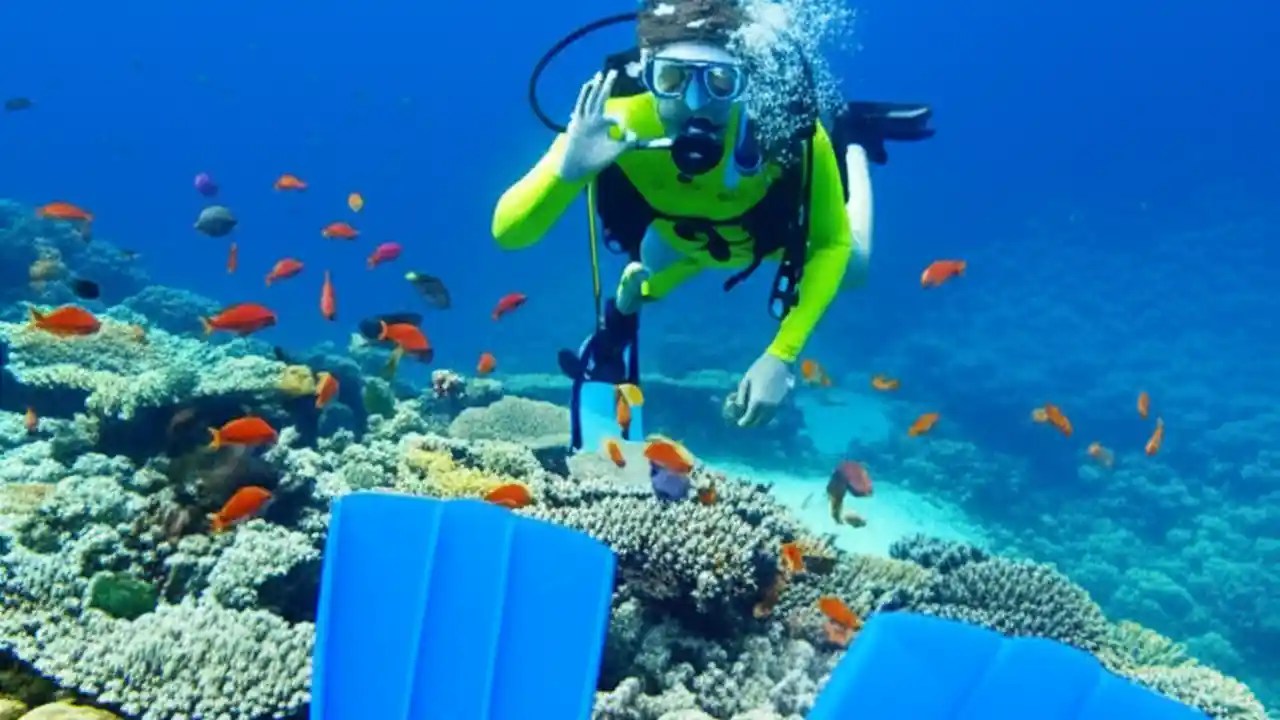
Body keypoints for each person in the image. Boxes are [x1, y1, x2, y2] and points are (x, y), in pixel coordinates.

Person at [493, 0, 932, 440]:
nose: (694, 104)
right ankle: (620, 319)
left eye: (720, 82)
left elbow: (831, 244)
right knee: (643, 281)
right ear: (646, 70)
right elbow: (509, 234)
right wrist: (568, 172)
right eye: (671, 78)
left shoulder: (784, 132)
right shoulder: (612, 123)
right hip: (679, 236)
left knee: (853, 269)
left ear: (746, 80)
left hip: (759, 234)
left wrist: (782, 355)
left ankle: (853, 137)